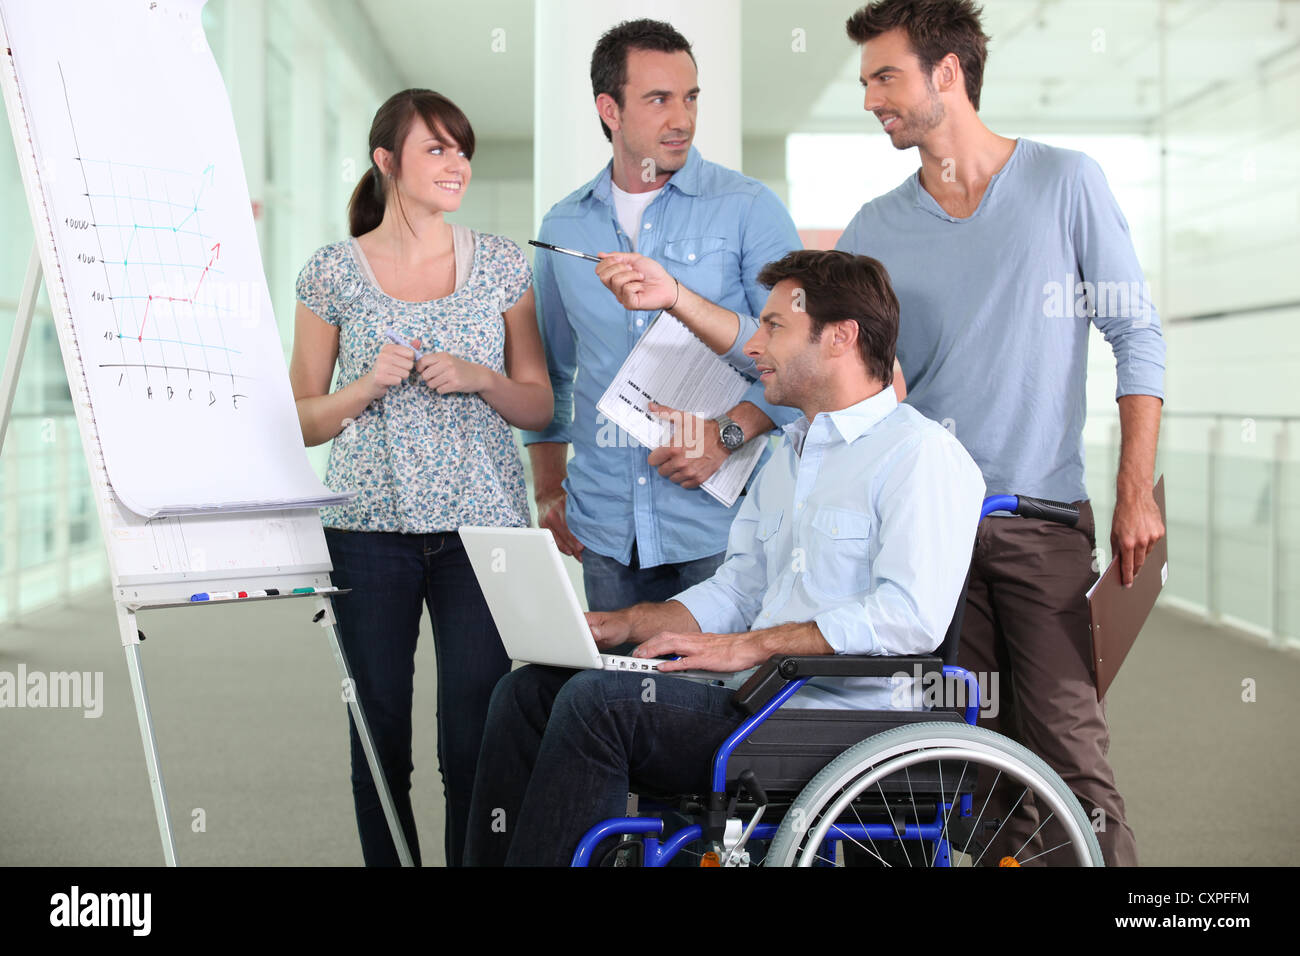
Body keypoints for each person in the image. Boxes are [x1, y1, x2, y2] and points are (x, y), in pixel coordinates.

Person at [464, 249, 985, 866]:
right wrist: (626, 625)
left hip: (838, 718)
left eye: (773, 327)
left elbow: (909, 616)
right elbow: (738, 590)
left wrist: (755, 646)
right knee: (528, 693)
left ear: (841, 337)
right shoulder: (786, 458)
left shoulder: (921, 454)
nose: (754, 346)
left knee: (596, 705)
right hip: (755, 698)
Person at [835, 0, 1167, 866]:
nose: (871, 97)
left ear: (948, 73)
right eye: (867, 79)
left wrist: (1136, 494)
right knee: (962, 769)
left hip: (1041, 524)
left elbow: (1137, 334)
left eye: (885, 76)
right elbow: (847, 378)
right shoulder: (876, 227)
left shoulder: (1065, 183)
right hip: (930, 534)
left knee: (1071, 756)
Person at [289, 89, 552, 867]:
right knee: (378, 738)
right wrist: (364, 387)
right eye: (436, 148)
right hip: (366, 532)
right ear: (386, 162)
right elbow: (300, 420)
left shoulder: (505, 264)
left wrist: (481, 376)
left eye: (460, 148)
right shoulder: (332, 273)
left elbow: (537, 403)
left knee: (476, 737)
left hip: (484, 534)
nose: (456, 163)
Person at [523, 18, 803, 613]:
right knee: (616, 702)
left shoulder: (749, 210)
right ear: (610, 109)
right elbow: (550, 372)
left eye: (691, 97)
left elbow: (800, 361)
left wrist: (728, 434)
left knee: (719, 705)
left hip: (721, 526)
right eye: (659, 100)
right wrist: (550, 489)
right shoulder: (563, 227)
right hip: (604, 532)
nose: (683, 119)